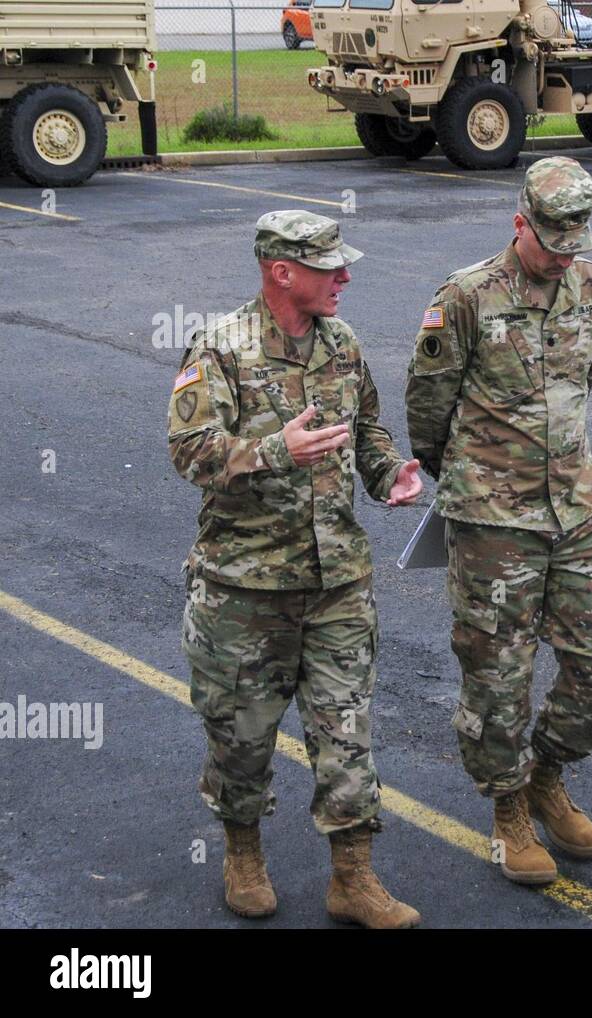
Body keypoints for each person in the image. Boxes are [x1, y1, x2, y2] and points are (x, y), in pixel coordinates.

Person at [169, 210, 423, 927]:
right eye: (329, 266)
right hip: (243, 588)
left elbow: (366, 423)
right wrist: (276, 449)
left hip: (337, 580)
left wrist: (385, 474)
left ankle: (353, 877)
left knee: (346, 730)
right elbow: (191, 453)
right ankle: (243, 852)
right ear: (283, 272)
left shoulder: (341, 343)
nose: (344, 277)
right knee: (242, 736)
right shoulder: (220, 348)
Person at [405, 157, 592, 885]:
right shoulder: (465, 296)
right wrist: (473, 484)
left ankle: (548, 775)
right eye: (550, 240)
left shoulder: (591, 287)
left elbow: (586, 378)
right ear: (519, 223)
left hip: (576, 507)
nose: (562, 255)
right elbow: (428, 410)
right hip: (494, 518)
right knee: (498, 676)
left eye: (574, 242)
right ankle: (506, 810)